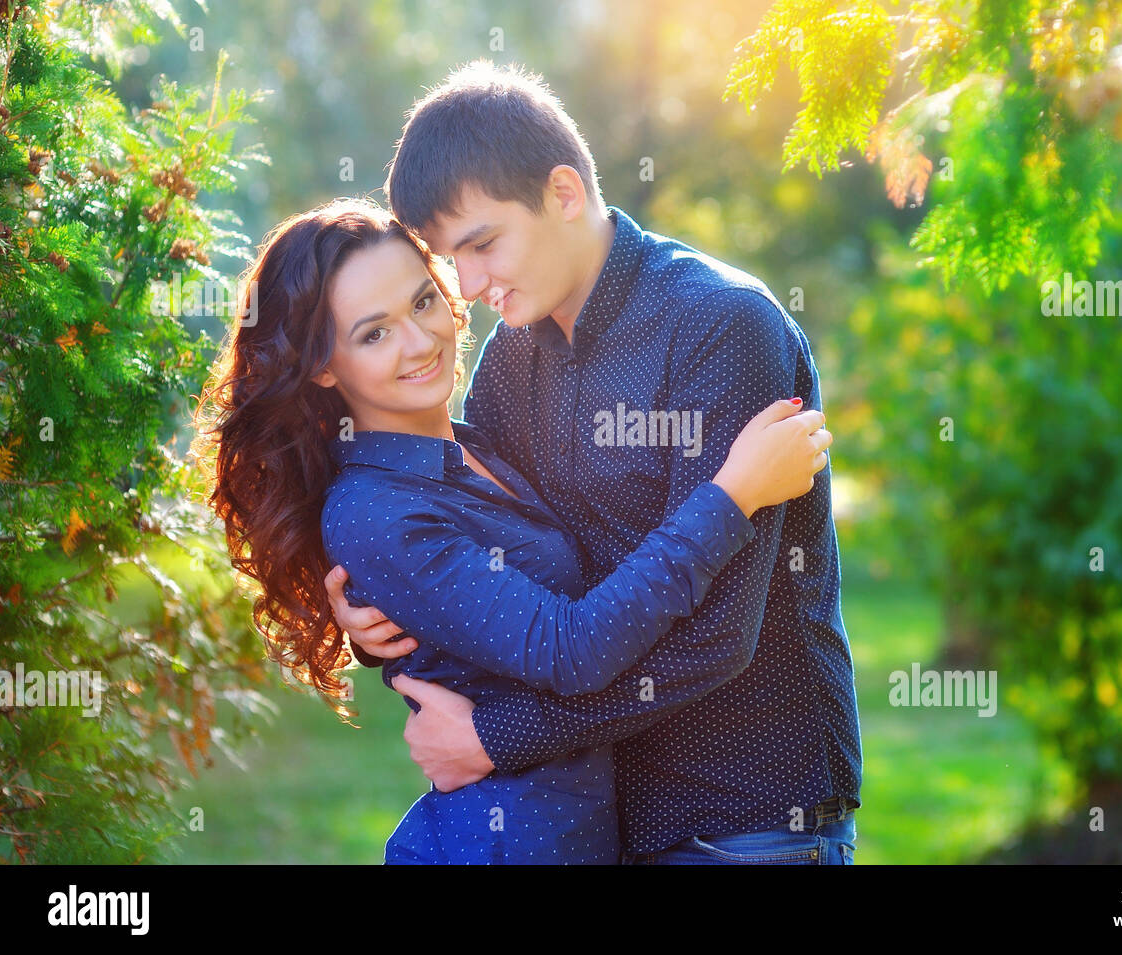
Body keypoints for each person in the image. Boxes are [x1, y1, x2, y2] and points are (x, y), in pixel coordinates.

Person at [328, 61, 863, 865]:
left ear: (564, 193)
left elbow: (719, 639)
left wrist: (494, 738)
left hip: (744, 819)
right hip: (600, 820)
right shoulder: (514, 358)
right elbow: (502, 561)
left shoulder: (722, 329)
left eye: (482, 245)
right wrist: (381, 613)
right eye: (449, 258)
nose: (467, 287)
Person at [194, 196, 832, 863]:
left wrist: (385, 637)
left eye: (421, 302)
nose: (419, 342)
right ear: (323, 366)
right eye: (373, 333)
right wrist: (731, 496)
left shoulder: (480, 448)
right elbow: (568, 647)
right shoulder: (373, 511)